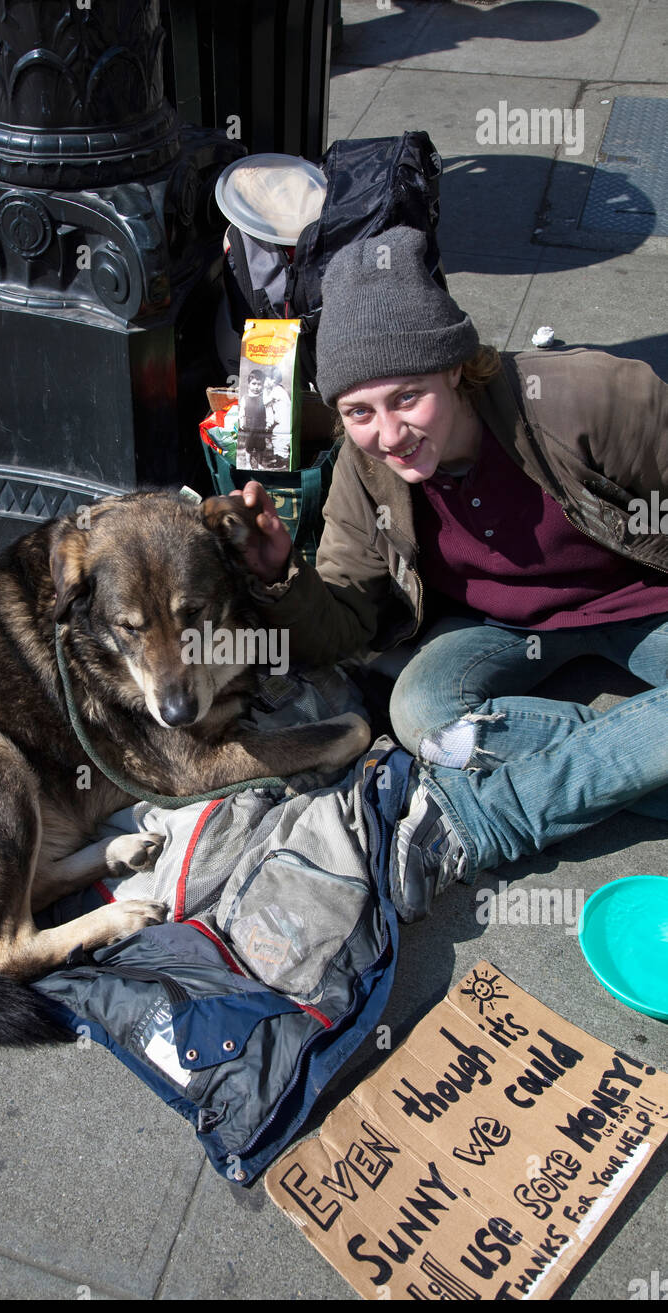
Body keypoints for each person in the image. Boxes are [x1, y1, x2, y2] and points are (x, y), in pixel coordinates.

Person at [235, 224, 668, 922]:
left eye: (408, 396)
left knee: (459, 748)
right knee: (420, 713)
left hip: (644, 598)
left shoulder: (593, 399)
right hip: (501, 626)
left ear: (457, 367)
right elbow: (352, 613)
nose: (389, 433)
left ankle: (482, 820)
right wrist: (284, 574)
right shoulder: (366, 469)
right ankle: (632, 745)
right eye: (359, 412)